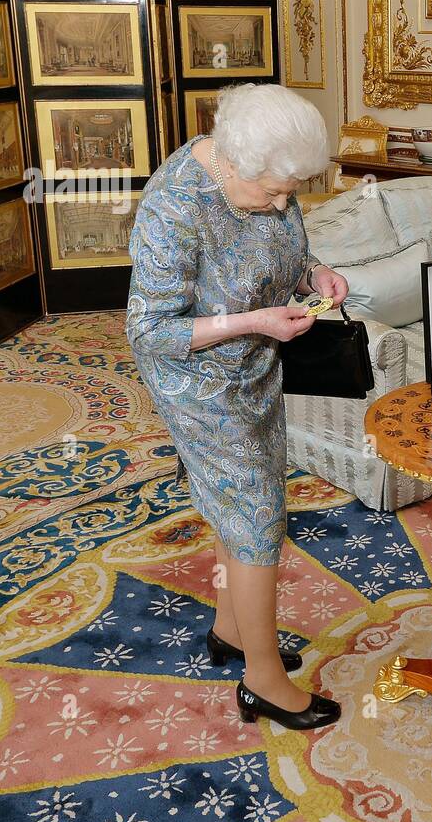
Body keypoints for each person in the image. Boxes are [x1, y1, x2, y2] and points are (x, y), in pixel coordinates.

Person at [126, 83, 347, 733]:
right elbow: (149, 330)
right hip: (196, 380)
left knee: (244, 499)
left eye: (293, 189)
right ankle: (264, 681)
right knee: (258, 513)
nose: (285, 202)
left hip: (255, 361)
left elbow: (282, 248)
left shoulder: (267, 167)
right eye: (275, 190)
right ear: (235, 160)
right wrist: (253, 319)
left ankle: (231, 628)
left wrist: (315, 274)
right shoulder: (175, 207)